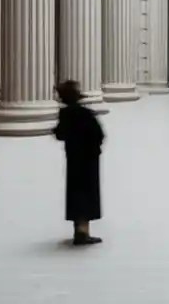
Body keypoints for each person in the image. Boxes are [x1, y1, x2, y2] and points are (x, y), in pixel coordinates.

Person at [53, 80, 105, 245]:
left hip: (74, 160)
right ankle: (83, 231)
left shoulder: (65, 114)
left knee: (75, 193)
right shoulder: (86, 114)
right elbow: (99, 134)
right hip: (88, 160)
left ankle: (78, 230)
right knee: (87, 194)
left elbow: (60, 134)